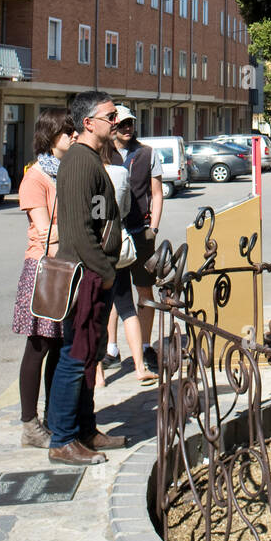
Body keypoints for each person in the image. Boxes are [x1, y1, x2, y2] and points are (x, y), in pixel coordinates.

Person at [45, 90, 126, 466]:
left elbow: (98, 217)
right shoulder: (80, 161)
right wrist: (105, 273)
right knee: (75, 358)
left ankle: (85, 429)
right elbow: (78, 231)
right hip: (86, 277)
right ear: (88, 122)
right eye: (110, 116)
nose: (116, 121)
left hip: (94, 275)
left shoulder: (91, 158)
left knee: (90, 356)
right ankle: (63, 439)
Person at [12, 108, 76, 447]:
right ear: (51, 137)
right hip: (43, 271)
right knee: (38, 347)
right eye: (67, 132)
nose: (72, 137)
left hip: (65, 268)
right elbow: (44, 232)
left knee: (58, 347)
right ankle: (29, 424)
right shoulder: (35, 178)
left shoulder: (65, 172)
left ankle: (54, 415)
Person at [102, 107, 164, 374]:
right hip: (113, 233)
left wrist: (155, 228)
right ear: (113, 125)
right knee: (114, 293)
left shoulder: (148, 153)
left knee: (145, 291)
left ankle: (146, 346)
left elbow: (157, 192)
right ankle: (111, 349)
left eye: (131, 124)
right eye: (123, 124)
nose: (128, 128)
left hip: (140, 232)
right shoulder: (103, 153)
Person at [97, 133, 155, 387]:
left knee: (97, 309)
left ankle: (98, 374)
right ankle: (140, 366)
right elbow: (128, 206)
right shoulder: (121, 174)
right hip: (118, 241)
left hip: (94, 246)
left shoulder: (89, 173)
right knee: (127, 307)